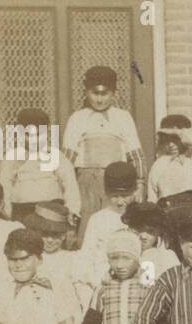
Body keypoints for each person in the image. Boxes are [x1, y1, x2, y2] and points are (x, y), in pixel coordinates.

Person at [61, 66, 144, 243]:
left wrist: (140, 182)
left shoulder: (122, 117)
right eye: (94, 93)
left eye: (104, 93)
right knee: (89, 223)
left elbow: (135, 153)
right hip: (87, 181)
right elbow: (67, 157)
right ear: (86, 92)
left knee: (116, 221)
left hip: (116, 183)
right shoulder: (78, 117)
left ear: (113, 93)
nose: (99, 99)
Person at [0, 108, 80, 225]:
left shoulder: (54, 155)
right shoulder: (12, 157)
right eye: (27, 135)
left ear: (47, 132)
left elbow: (69, 182)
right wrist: (7, 213)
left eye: (38, 135)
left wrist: (72, 210)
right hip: (22, 209)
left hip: (52, 208)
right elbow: (4, 184)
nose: (33, 140)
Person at [72, 161, 137, 310]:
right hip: (104, 284)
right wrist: (98, 282)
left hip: (134, 286)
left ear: (134, 192)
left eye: (125, 195)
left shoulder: (141, 217)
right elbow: (87, 257)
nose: (120, 202)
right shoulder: (98, 219)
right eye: (115, 196)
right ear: (107, 193)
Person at [146, 113, 192, 209]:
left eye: (176, 139)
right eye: (167, 140)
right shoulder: (160, 164)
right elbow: (152, 198)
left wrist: (178, 131)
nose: (171, 144)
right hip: (169, 216)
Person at [121, 201, 180, 283]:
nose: (144, 236)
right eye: (139, 229)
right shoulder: (120, 255)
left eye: (150, 231)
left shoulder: (166, 257)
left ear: (158, 232)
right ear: (130, 229)